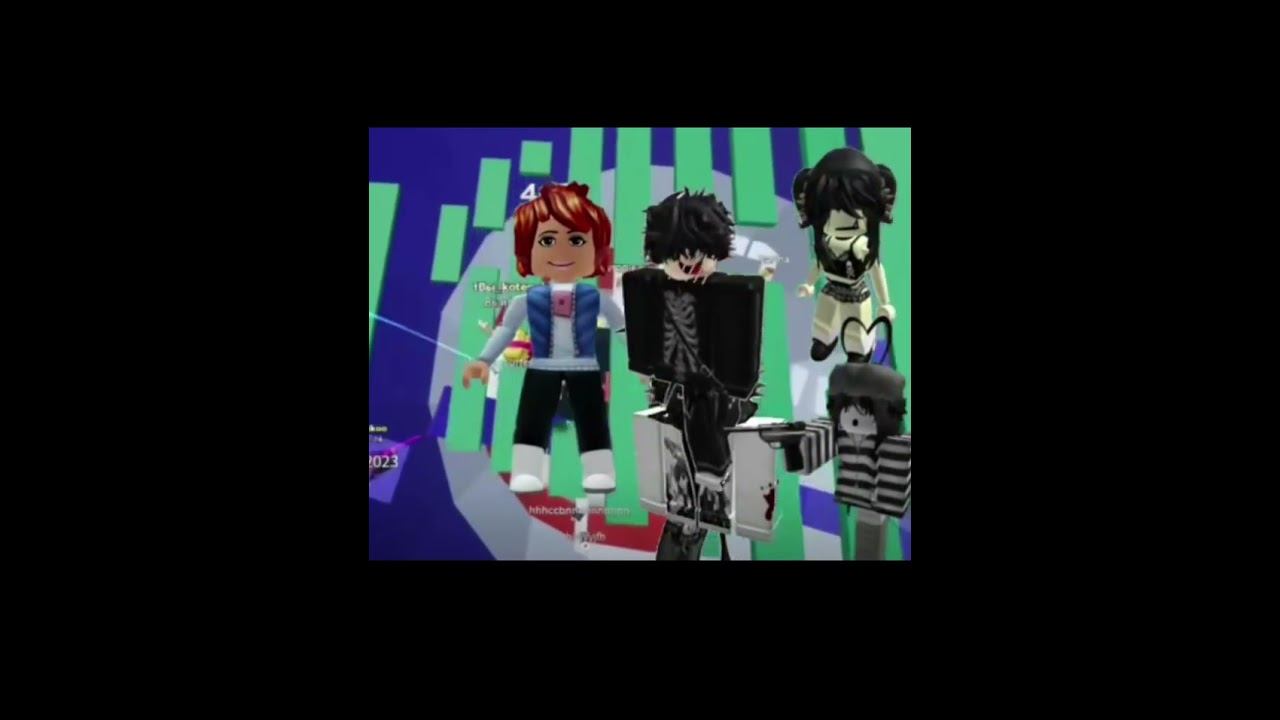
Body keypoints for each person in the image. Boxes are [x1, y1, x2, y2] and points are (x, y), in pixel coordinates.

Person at [462, 182, 623, 494]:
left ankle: (599, 470)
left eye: (576, 240)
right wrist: (483, 360)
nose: (562, 251)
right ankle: (527, 469)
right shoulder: (525, 300)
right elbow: (505, 331)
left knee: (592, 419)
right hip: (542, 368)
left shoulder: (597, 299)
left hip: (585, 368)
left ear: (596, 249)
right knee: (532, 418)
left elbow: (622, 329)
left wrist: (644, 363)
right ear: (528, 251)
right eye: (547, 240)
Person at [792, 148, 898, 363]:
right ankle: (824, 339)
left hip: (856, 293)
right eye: (832, 210)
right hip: (830, 289)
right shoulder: (827, 243)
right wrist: (809, 284)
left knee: (857, 327)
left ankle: (860, 349)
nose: (841, 217)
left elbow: (876, 269)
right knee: (823, 320)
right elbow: (819, 264)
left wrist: (885, 302)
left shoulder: (862, 247)